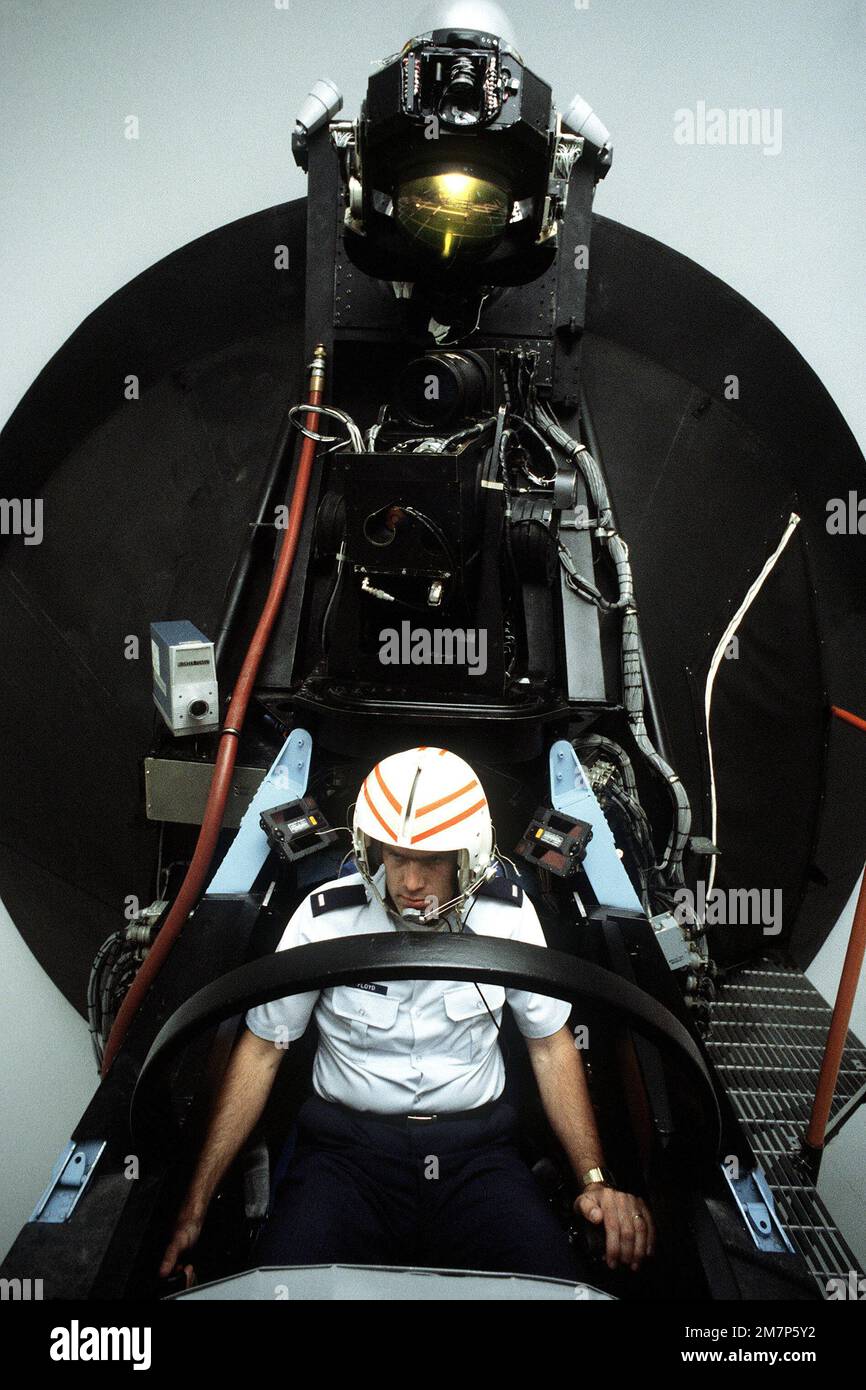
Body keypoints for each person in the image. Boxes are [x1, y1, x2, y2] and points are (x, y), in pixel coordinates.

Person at [160, 746, 655, 1283]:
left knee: (556, 1286)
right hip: (345, 1156)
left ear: (467, 856)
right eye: (395, 856)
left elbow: (550, 1044)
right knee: (281, 1290)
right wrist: (194, 1209)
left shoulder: (509, 916)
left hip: (478, 1154)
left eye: (431, 861)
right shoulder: (324, 919)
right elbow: (261, 1052)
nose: (409, 883)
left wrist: (594, 1180)